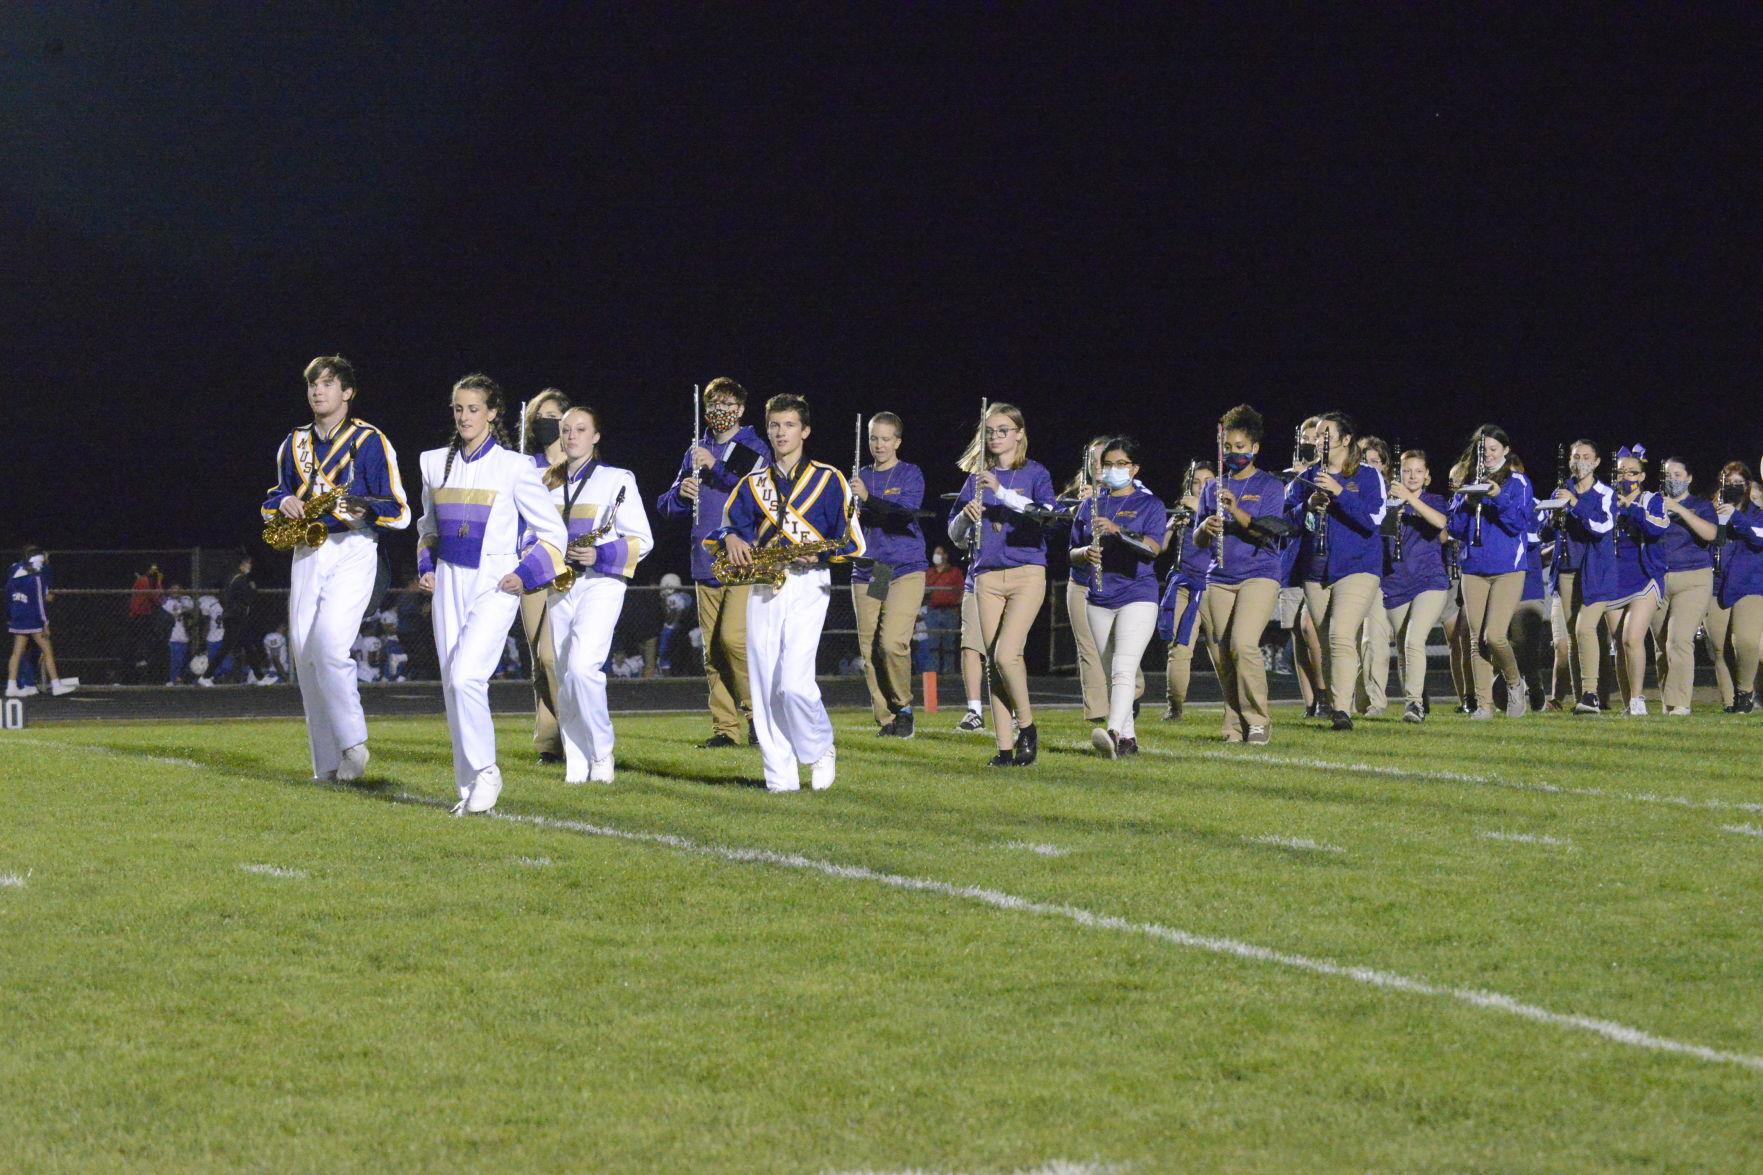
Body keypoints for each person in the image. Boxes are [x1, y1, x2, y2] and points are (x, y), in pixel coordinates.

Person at [416, 373, 569, 815]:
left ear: (493, 413)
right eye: (459, 408)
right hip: (449, 582)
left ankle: (486, 772)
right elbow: (428, 528)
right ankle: (467, 789)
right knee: (452, 685)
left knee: (467, 676)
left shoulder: (515, 467)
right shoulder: (432, 462)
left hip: (496, 584)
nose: (465, 416)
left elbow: (553, 532)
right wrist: (427, 566)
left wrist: (526, 574)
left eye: (474, 409)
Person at [260, 355, 411, 781]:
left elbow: (399, 510)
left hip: (354, 548)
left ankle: (353, 744)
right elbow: (276, 493)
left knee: (328, 645)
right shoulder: (293, 443)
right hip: (307, 552)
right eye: (312, 384)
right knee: (304, 654)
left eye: (327, 384)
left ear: (347, 392)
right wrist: (281, 504)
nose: (317, 391)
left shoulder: (370, 441)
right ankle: (325, 765)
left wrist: (361, 508)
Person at [707, 393, 864, 792]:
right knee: (762, 681)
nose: (780, 432)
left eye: (789, 425)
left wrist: (820, 555)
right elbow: (728, 526)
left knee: (793, 682)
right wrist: (730, 541)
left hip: (809, 583)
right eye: (774, 425)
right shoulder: (752, 483)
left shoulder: (830, 479)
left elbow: (851, 540)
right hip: (763, 583)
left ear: (805, 431)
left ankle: (819, 747)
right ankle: (780, 778)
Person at [656, 378, 772, 748]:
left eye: (726, 404)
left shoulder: (753, 446)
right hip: (704, 560)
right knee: (711, 652)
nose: (719, 411)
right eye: (713, 404)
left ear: (739, 409)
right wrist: (680, 492)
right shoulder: (696, 448)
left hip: (741, 558)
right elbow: (666, 505)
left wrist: (716, 466)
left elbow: (755, 491)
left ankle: (758, 716)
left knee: (734, 640)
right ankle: (725, 728)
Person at [543, 404, 653, 784]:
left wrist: (599, 553)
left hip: (602, 582)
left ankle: (601, 752)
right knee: (563, 673)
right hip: (561, 583)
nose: (571, 435)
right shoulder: (547, 482)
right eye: (565, 429)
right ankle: (576, 761)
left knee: (583, 668)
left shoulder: (616, 479)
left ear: (596, 437)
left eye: (580, 429)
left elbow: (643, 540)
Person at [948, 403, 1056, 766]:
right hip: (987, 575)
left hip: (1026, 571)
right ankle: (1006, 749)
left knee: (1008, 652)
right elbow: (955, 536)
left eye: (1003, 430)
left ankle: (1027, 726)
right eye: (990, 431)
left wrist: (1003, 493)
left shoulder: (1035, 473)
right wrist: (965, 517)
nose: (996, 437)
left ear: (1020, 433)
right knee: (994, 661)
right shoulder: (975, 478)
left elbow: (1046, 515)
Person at [1196, 404, 1292, 744]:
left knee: (1242, 644)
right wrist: (1207, 524)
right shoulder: (1211, 488)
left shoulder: (1270, 485)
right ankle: (1234, 722)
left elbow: (1265, 530)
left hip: (1259, 572)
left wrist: (1234, 508)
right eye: (1228, 447)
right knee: (1221, 654)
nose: (1233, 453)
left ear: (1254, 448)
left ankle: (1258, 720)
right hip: (1218, 576)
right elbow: (1197, 538)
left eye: (1240, 447)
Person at [1284, 411, 1387, 731]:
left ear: (1345, 440)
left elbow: (1373, 520)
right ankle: (1338, 700)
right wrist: (1308, 505)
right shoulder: (1305, 477)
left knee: (1341, 634)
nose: (1318, 439)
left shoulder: (1368, 475)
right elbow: (1285, 521)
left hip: (1358, 567)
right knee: (1327, 642)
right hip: (1316, 569)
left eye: (1326, 433)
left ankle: (1341, 710)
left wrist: (1340, 493)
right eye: (1316, 434)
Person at [1070, 437, 1165, 757]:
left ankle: (1111, 731)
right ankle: (1128, 738)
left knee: (1124, 667)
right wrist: (1086, 553)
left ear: (1134, 468)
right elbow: (1071, 552)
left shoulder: (1149, 504)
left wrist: (1117, 532)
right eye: (1108, 464)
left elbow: (1153, 548)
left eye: (1121, 464)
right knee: (1112, 672)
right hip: (1098, 596)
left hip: (1138, 593)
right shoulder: (1090, 504)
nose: (1113, 470)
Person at [1445, 424, 1535, 719]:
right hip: (1473, 567)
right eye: (1484, 449)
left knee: (1494, 635)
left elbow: (1518, 524)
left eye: (1494, 449)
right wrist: (1464, 502)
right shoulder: (1469, 480)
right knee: (1474, 639)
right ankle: (1484, 705)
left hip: (1507, 567)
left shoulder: (1518, 482)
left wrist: (1497, 497)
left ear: (1505, 451)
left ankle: (1514, 683)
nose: (1488, 455)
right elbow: (1456, 529)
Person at [852, 411, 928, 737]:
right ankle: (887, 720)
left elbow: (902, 515)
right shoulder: (859, 476)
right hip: (873, 569)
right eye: (873, 438)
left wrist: (868, 500)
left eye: (885, 439)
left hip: (905, 567)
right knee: (869, 649)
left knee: (892, 642)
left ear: (897, 441)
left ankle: (904, 706)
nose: (879, 444)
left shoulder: (910, 474)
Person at [1062, 436, 1143, 726]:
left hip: (1118, 581)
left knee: (1120, 647)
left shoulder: (1135, 493)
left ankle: (1130, 695)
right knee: (1089, 648)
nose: (1100, 468)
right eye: (1095, 462)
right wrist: (1077, 508)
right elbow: (1061, 524)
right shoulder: (1081, 495)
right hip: (1082, 580)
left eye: (1105, 462)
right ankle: (1098, 711)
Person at [518, 388, 571, 763]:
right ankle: (549, 741)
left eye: (554, 415)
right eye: (540, 416)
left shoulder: (580, 465)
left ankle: (575, 733)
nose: (546, 422)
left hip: (566, 568)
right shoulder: (524, 467)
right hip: (530, 564)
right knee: (538, 659)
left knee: (554, 657)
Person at [1379, 450, 1451, 723]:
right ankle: (1418, 698)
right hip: (1395, 581)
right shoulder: (1387, 502)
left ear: (1427, 476)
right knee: (1404, 648)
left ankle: (1413, 704)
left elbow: (1441, 523)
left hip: (1429, 580)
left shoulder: (1434, 500)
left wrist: (1409, 499)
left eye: (1418, 471)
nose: (1412, 475)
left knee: (1414, 639)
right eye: (1407, 470)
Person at [1599, 446, 1670, 715]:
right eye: (1620, 472)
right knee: (1619, 644)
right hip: (1615, 578)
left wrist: (1632, 508)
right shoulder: (1606, 500)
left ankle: (1639, 699)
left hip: (1645, 576)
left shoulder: (1652, 499)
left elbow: (1657, 528)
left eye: (1632, 472)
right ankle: (1629, 702)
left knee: (1632, 638)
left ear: (1641, 476)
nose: (1626, 477)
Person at [1551, 439, 1620, 713]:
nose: (1579, 460)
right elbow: (1551, 530)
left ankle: (1591, 694)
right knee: (1573, 636)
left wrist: (1574, 504)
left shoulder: (1605, 492)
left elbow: (1602, 526)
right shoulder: (1562, 489)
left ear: (1597, 462)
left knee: (1585, 629)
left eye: (1586, 456)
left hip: (1596, 571)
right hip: (1567, 569)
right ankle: (1585, 696)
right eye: (1575, 455)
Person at [1648, 456, 1719, 714]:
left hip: (1693, 578)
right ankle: (1668, 702)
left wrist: (1679, 510)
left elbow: (1711, 534)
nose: (1673, 480)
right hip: (1659, 578)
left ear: (1688, 478)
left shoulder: (1700, 505)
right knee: (1661, 645)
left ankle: (1681, 703)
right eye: (1668, 475)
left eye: (1678, 475)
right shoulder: (1654, 503)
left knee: (1679, 640)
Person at [1158, 461, 1214, 721]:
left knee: (1224, 654)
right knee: (1179, 648)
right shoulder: (1184, 513)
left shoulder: (1222, 511)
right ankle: (1175, 709)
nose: (1202, 487)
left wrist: (1202, 510)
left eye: (1208, 481)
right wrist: (1170, 527)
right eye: (1196, 482)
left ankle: (1238, 712)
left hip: (1215, 587)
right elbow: (1158, 547)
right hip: (1184, 584)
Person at [1706, 462, 1763, 712]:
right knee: (1718, 648)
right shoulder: (1710, 510)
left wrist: (1735, 516)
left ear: (1748, 485)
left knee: (1746, 641)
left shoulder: (1756, 512)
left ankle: (1745, 691)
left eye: (1739, 483)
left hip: (1749, 582)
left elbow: (1759, 538)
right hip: (1716, 583)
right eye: (1729, 483)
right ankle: (1730, 703)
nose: (1734, 488)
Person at [1353, 437, 1396, 715]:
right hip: (1348, 571)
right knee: (1350, 640)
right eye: (1363, 462)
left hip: (1379, 575)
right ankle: (1354, 700)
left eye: (1375, 463)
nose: (1369, 468)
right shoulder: (1346, 490)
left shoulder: (1392, 497)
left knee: (1375, 638)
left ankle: (1376, 701)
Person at [6, 546, 77, 697]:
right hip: (33, 620)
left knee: (16, 653)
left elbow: (9, 593)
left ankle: (11, 686)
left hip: (18, 617)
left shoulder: (14, 573)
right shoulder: (36, 578)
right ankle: (56, 684)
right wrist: (45, 623)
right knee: (47, 650)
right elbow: (40, 603)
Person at [213, 552, 270, 684]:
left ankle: (259, 677)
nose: (250, 566)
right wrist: (253, 589)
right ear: (242, 564)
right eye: (248, 563)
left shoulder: (233, 577)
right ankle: (207, 676)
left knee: (247, 646)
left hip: (235, 616)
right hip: (235, 617)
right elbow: (248, 597)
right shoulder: (240, 578)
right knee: (226, 648)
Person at [922, 544, 964, 677]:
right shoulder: (929, 572)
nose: (937, 556)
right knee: (932, 643)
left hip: (950, 612)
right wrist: (937, 575)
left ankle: (948, 672)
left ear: (946, 555)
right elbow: (925, 588)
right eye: (936, 553)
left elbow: (962, 589)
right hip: (933, 611)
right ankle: (931, 673)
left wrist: (958, 603)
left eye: (940, 553)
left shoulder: (955, 571)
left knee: (949, 645)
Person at [162, 584, 195, 685]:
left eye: (178, 590)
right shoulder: (167, 602)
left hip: (186, 636)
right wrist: (183, 609)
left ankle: (182, 679)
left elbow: (191, 607)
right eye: (173, 590)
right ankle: (173, 680)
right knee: (176, 661)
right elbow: (176, 612)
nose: (176, 592)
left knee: (185, 660)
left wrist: (183, 607)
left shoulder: (185, 599)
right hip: (174, 637)